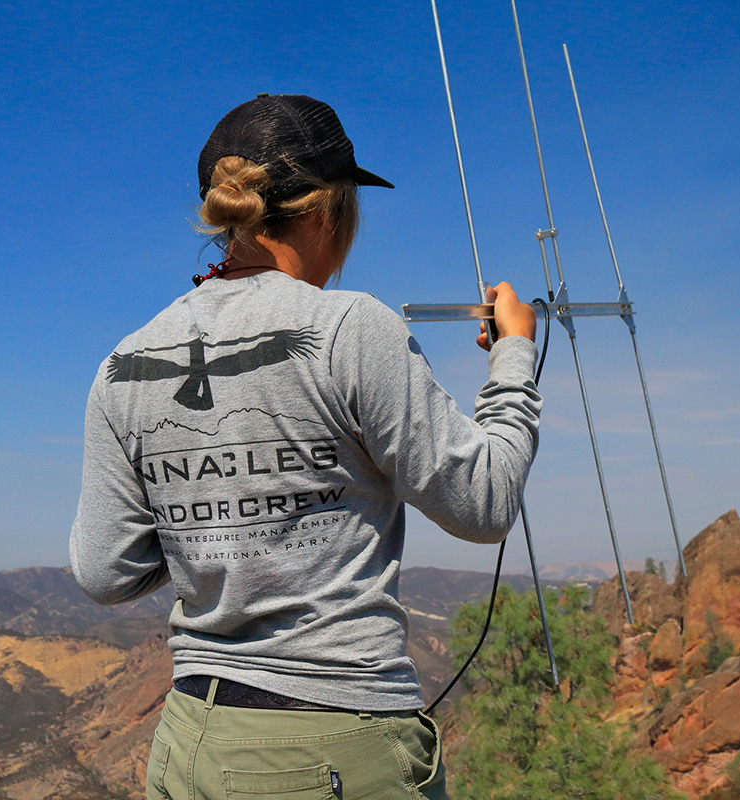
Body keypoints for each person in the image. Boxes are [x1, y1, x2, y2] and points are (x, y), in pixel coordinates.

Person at [69, 93, 541, 800]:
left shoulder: (124, 362)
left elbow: (104, 573)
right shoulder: (349, 326)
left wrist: (211, 518)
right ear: (328, 211)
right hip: (333, 751)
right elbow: (485, 504)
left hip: (188, 746)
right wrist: (514, 359)